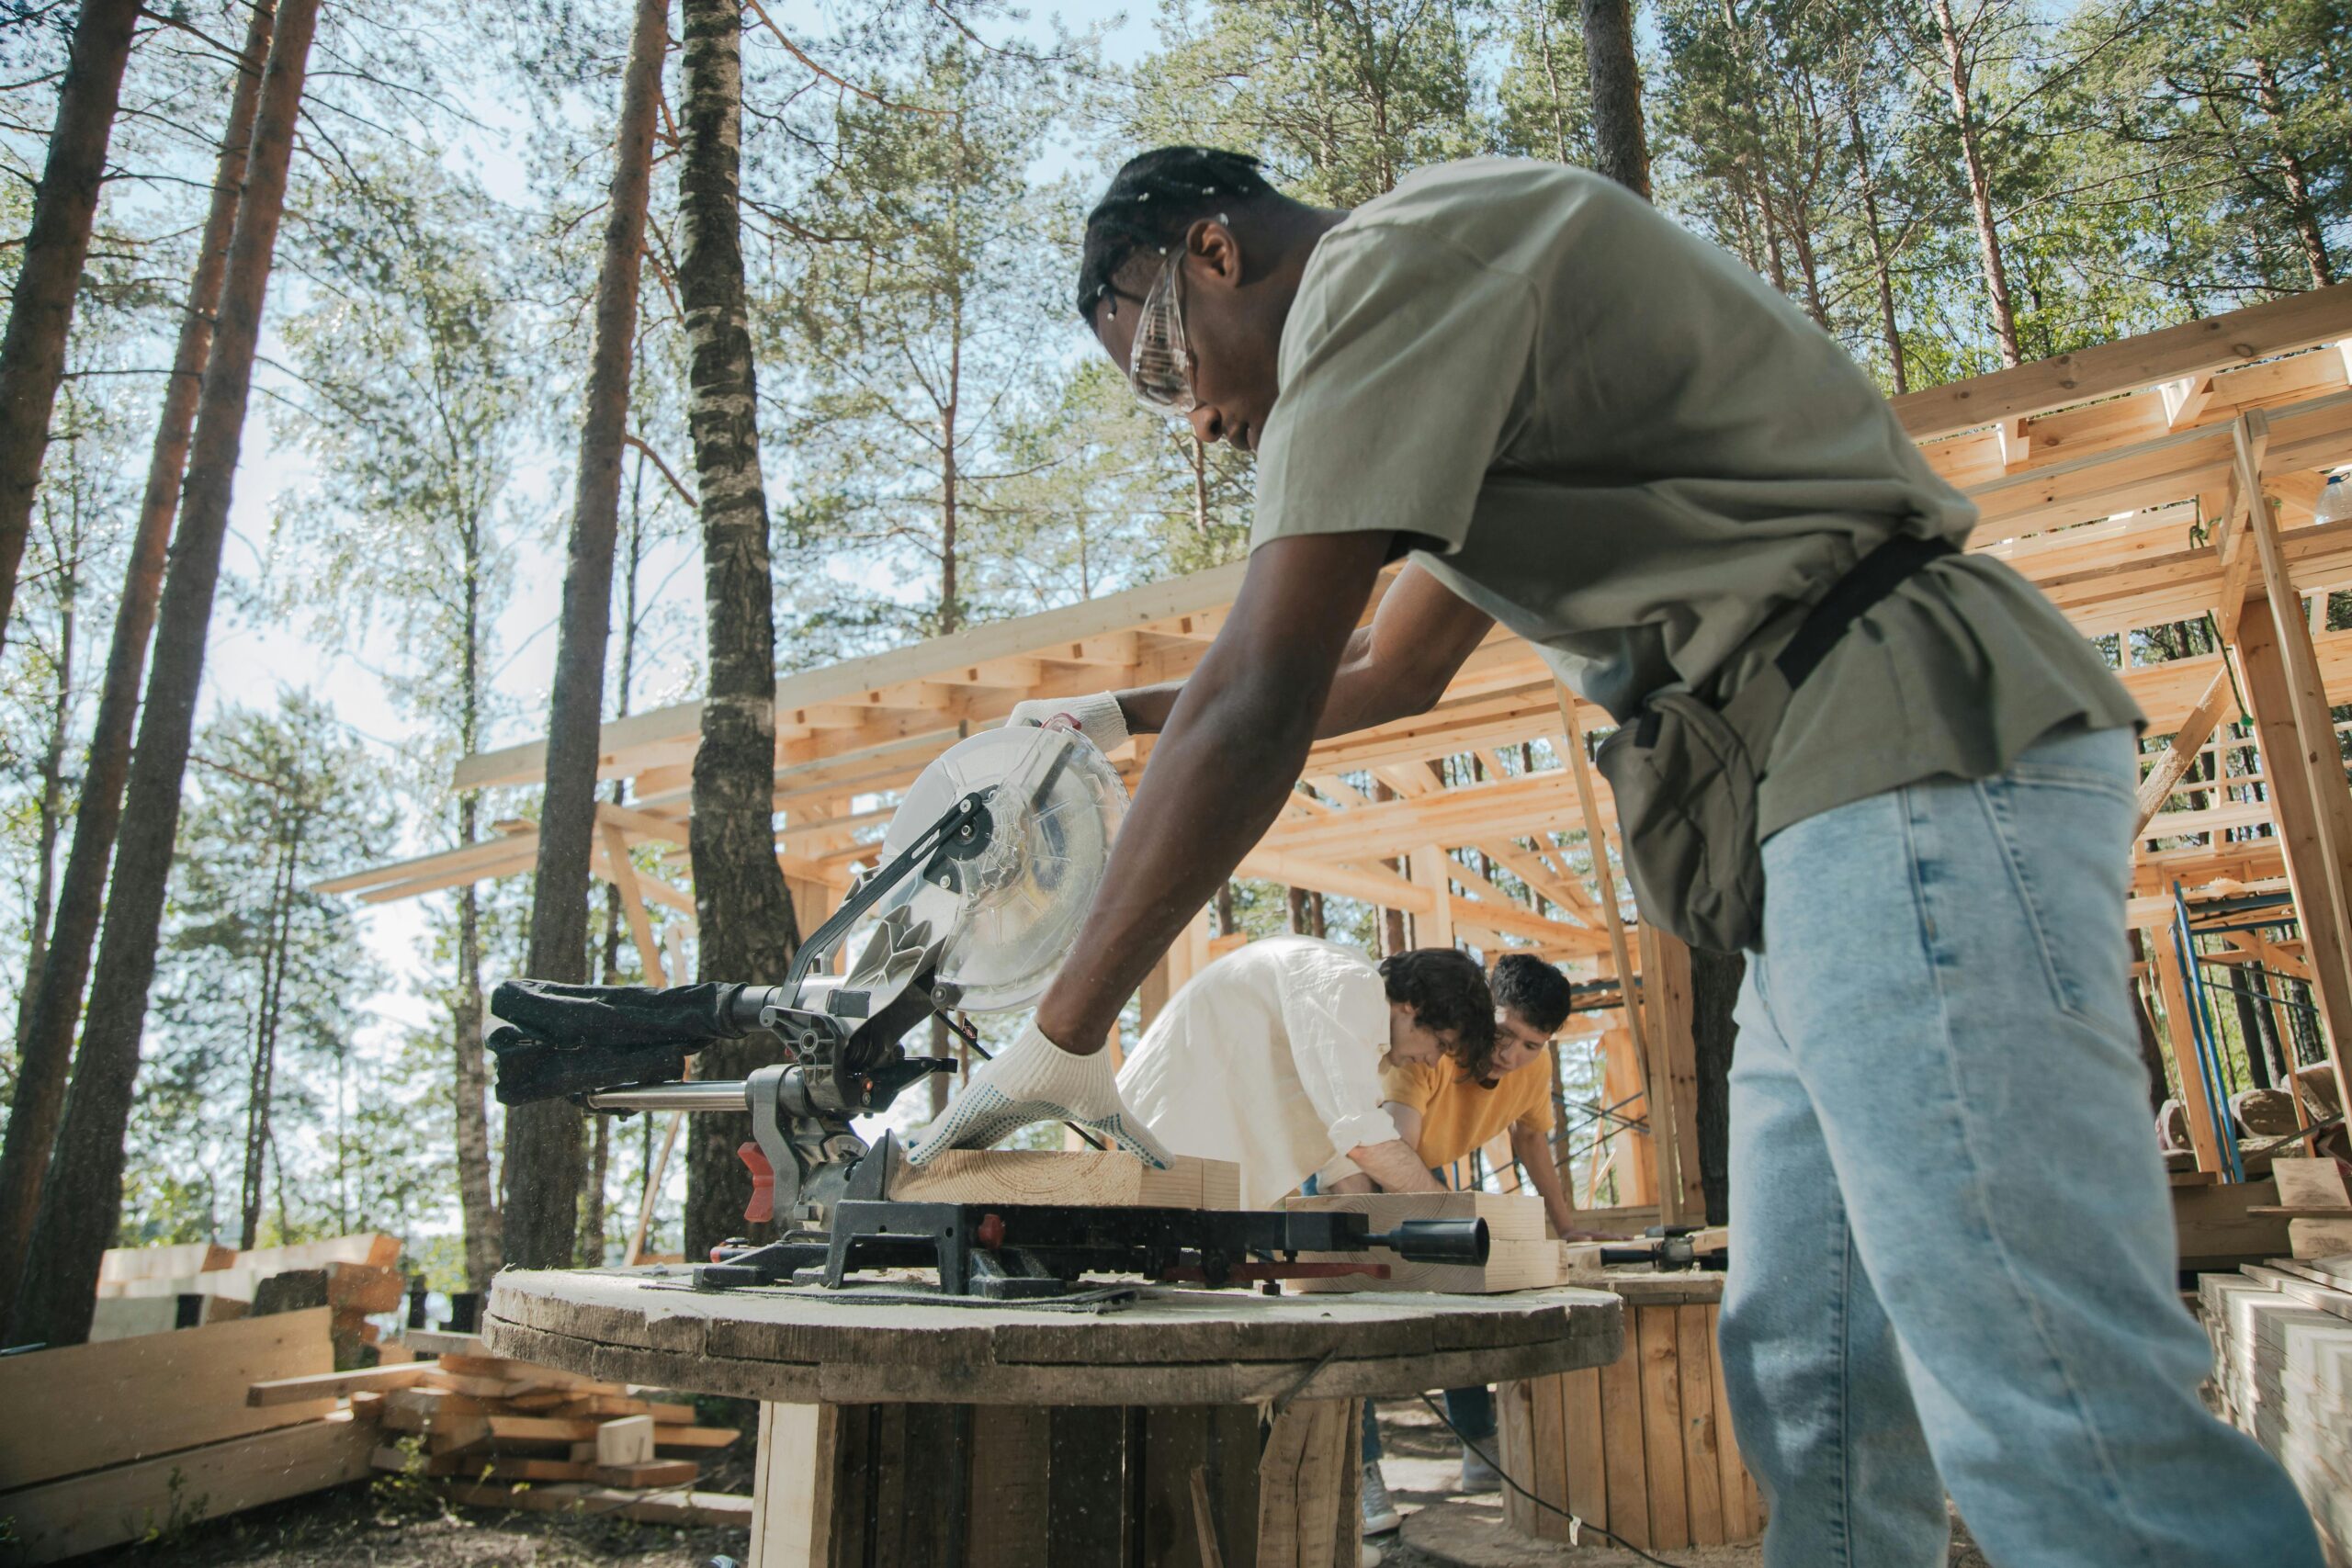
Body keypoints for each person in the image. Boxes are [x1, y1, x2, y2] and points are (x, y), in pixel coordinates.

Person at [907, 145, 2324, 1567]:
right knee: (1814, 1372)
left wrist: (1062, 1030)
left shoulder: (1389, 272)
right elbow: (1386, 670)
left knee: (2037, 1371)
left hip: (1904, 752)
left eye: (1166, 365)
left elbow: (1261, 691)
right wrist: (1116, 709)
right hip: (1817, 821)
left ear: (1212, 251)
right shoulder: (1450, 356)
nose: (1204, 415)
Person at [1372, 952, 1580, 1495]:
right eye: (1503, 1033)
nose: (1512, 1055)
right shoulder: (1430, 1049)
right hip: (1358, 1155)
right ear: (1484, 1011)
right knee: (1343, 1302)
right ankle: (1362, 1468)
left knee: (1459, 1282)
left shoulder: (1533, 1068)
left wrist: (1568, 1226)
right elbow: (1392, 1152)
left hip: (1422, 1166)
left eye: (1532, 1045)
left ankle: (1478, 1444)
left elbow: (1531, 1138)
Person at [1114, 938, 1489, 1207]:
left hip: (1190, 1166)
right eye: (1441, 1043)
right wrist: (1449, 1210)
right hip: (1160, 1142)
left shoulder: (1358, 1033)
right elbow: (1362, 1140)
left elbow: (1342, 1158)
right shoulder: (1346, 986)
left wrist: (1370, 1238)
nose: (1432, 1061)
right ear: (1413, 1005)